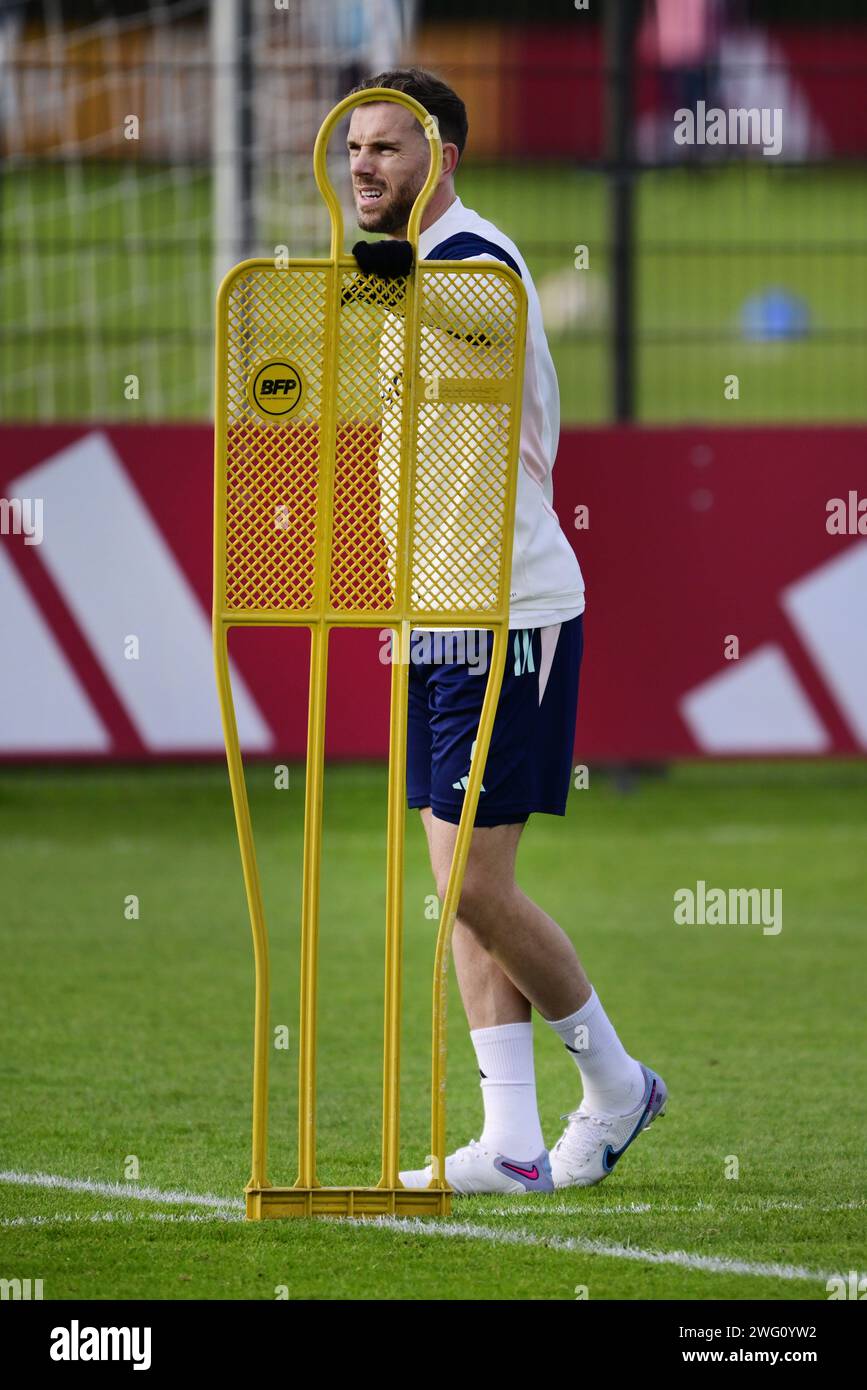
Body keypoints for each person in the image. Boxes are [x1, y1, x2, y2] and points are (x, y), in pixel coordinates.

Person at [346, 67, 667, 1195]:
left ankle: (620, 1085)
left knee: (481, 886)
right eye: (356, 148)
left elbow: (475, 315)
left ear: (447, 158)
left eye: (391, 145)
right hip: (436, 618)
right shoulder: (405, 279)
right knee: (462, 895)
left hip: (512, 612)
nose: (367, 165)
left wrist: (365, 276)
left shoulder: (478, 260)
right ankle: (516, 1142)